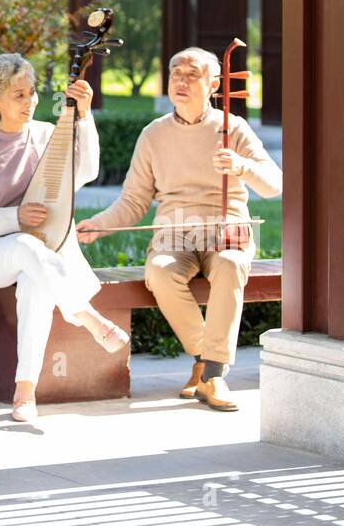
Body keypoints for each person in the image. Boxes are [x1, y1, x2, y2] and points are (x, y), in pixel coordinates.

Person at [76, 46, 283, 411]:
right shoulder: (153, 134)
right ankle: (208, 362)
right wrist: (99, 226)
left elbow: (273, 185)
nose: (181, 81)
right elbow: (133, 202)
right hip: (174, 234)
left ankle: (212, 374)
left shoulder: (232, 128)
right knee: (159, 271)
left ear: (214, 84)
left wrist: (240, 167)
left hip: (226, 231)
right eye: (175, 74)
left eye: (192, 75)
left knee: (231, 265)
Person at [0, 53, 129, 423]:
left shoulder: (48, 134)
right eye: (18, 95)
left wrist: (84, 114)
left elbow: (86, 171)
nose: (30, 101)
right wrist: (14, 216)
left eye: (31, 92)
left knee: (36, 284)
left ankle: (25, 391)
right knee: (24, 244)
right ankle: (89, 317)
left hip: (44, 254)